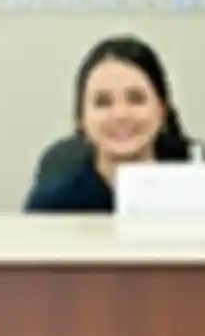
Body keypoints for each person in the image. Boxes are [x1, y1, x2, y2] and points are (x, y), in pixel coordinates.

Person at [25, 35, 193, 212]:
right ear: (81, 118)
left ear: (162, 109)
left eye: (136, 99)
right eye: (103, 102)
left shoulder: (194, 194)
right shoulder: (52, 206)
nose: (120, 114)